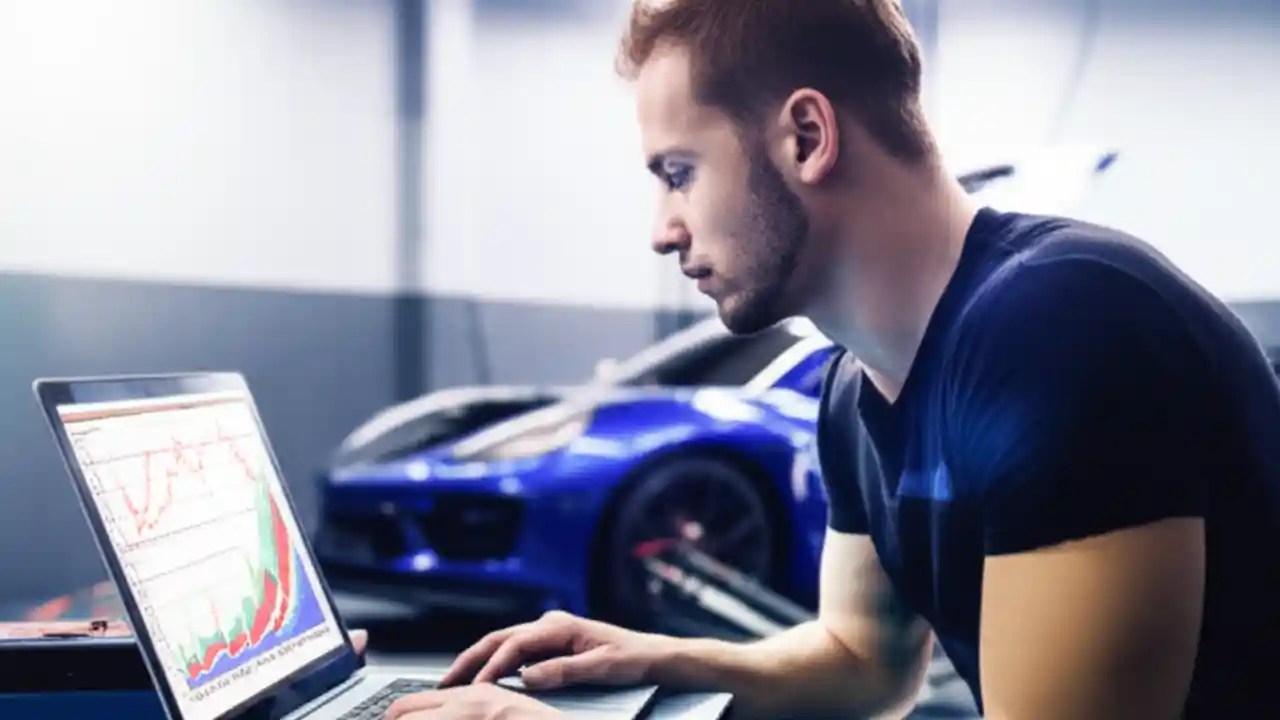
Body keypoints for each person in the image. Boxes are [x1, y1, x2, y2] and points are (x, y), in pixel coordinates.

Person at [385, 1, 1280, 718]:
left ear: (807, 136)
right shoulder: (856, 387)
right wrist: (654, 660)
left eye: (679, 172)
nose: (662, 230)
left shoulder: (1065, 326)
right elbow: (864, 664)